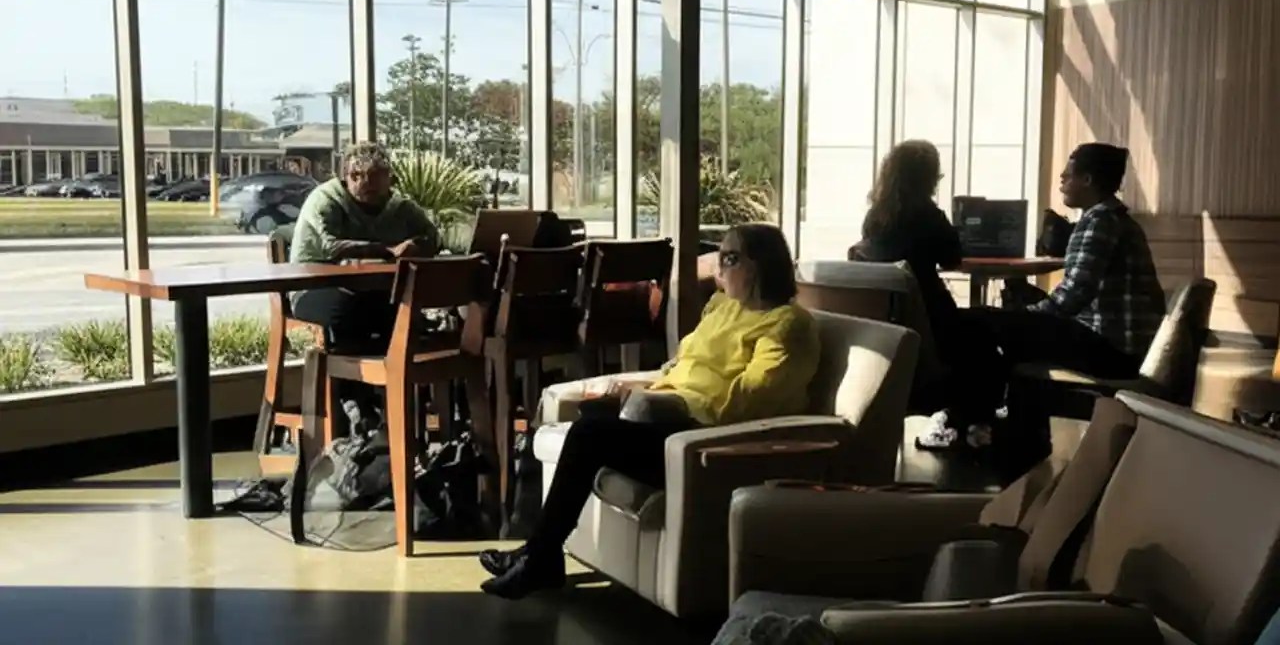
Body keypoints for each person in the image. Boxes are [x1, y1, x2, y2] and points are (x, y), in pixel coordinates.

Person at [478, 223, 821, 600]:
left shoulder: (787, 326)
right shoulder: (722, 306)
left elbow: (754, 399)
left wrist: (677, 401)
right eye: (719, 256)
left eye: (730, 258)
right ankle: (535, 551)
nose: (719, 268)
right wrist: (644, 388)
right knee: (560, 422)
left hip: (702, 440)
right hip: (669, 419)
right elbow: (682, 365)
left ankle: (540, 559)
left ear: (760, 267)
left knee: (589, 436)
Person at [971, 142, 1165, 415]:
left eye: (1068, 174)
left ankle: (983, 421)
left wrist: (1027, 315)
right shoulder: (1114, 220)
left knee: (982, 322)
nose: (1061, 179)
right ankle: (1011, 424)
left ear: (1087, 180)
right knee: (1005, 327)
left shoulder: (1100, 221)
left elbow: (1074, 295)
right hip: (1122, 345)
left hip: (1112, 351)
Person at [853, 140, 1005, 449]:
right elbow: (952, 258)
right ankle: (971, 423)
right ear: (929, 178)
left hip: (893, 324)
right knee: (987, 336)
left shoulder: (874, 218)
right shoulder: (928, 216)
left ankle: (956, 422)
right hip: (932, 323)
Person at [289, 141, 440, 353]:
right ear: (345, 177)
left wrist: (417, 245)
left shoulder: (399, 206)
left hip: (371, 287)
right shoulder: (325, 199)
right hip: (315, 286)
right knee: (352, 312)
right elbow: (332, 246)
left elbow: (432, 235)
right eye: (356, 175)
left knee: (402, 310)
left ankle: (398, 378)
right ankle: (351, 380)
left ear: (389, 178)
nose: (365, 182)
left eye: (376, 175)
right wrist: (388, 251)